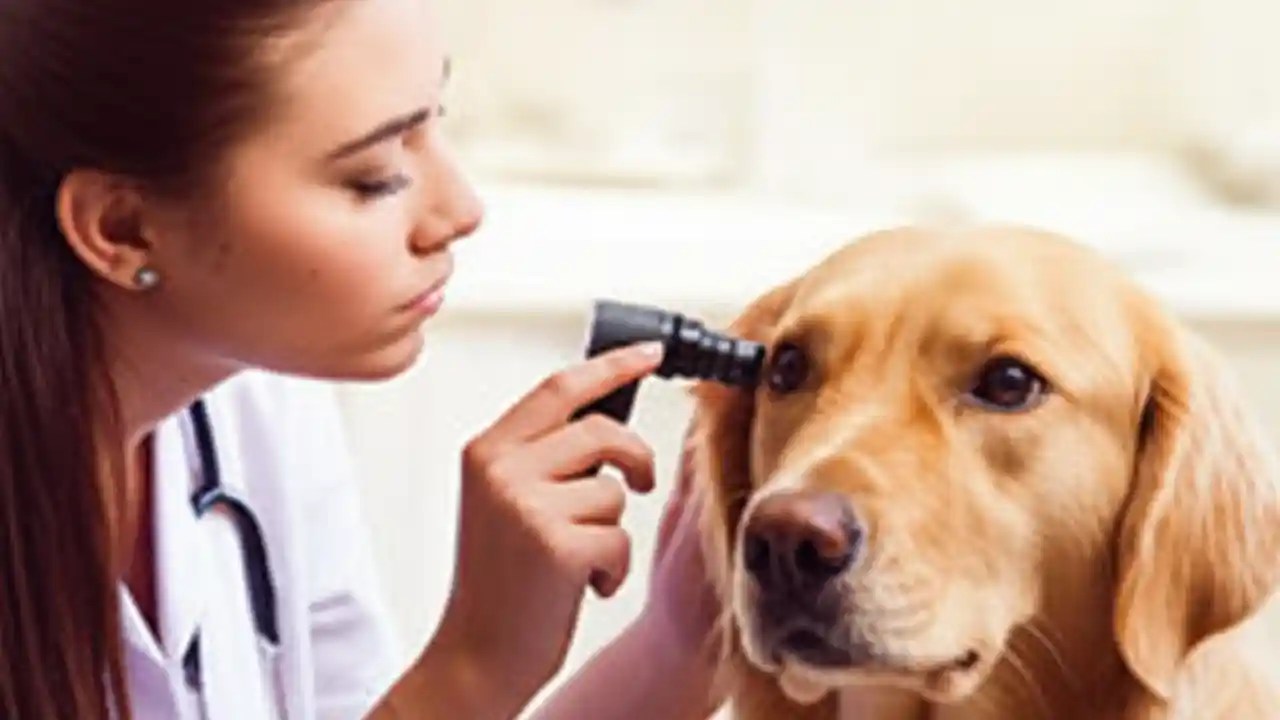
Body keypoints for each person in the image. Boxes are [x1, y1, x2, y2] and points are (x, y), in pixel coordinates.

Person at [0, 0, 725, 718]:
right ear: (121, 227)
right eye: (375, 176)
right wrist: (474, 666)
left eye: (437, 120)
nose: (462, 210)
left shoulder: (257, 402)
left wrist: (683, 639)